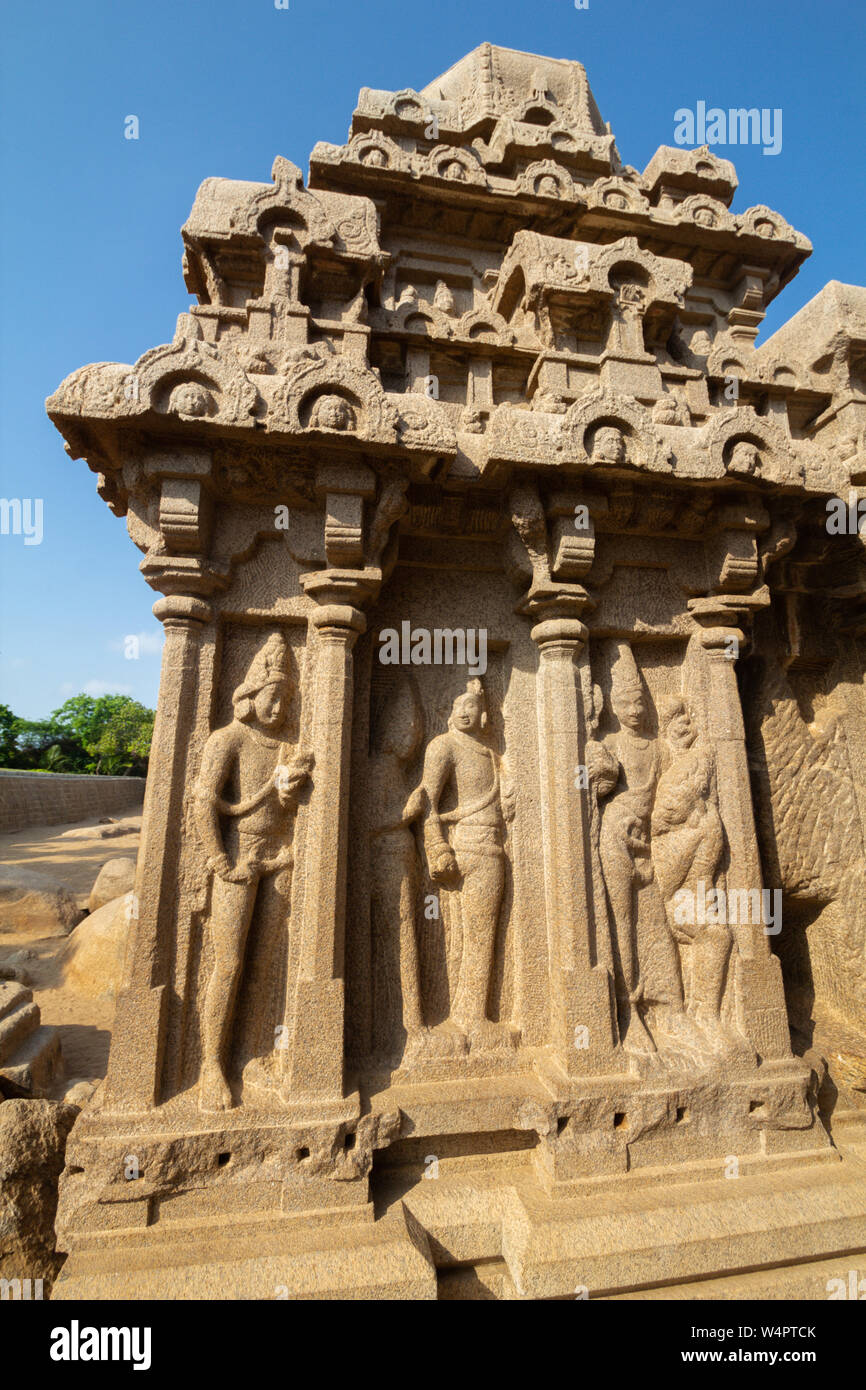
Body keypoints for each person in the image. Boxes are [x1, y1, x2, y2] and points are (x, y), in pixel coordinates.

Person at [194, 633, 312, 1110]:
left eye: (286, 699)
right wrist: (220, 861)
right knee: (228, 963)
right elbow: (204, 802)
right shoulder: (228, 739)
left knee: (266, 960)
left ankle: (249, 1052)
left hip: (278, 858)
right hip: (238, 858)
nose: (279, 708)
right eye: (272, 697)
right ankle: (211, 1062)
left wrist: (291, 788)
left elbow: (288, 807)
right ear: (250, 695)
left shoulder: (286, 748)